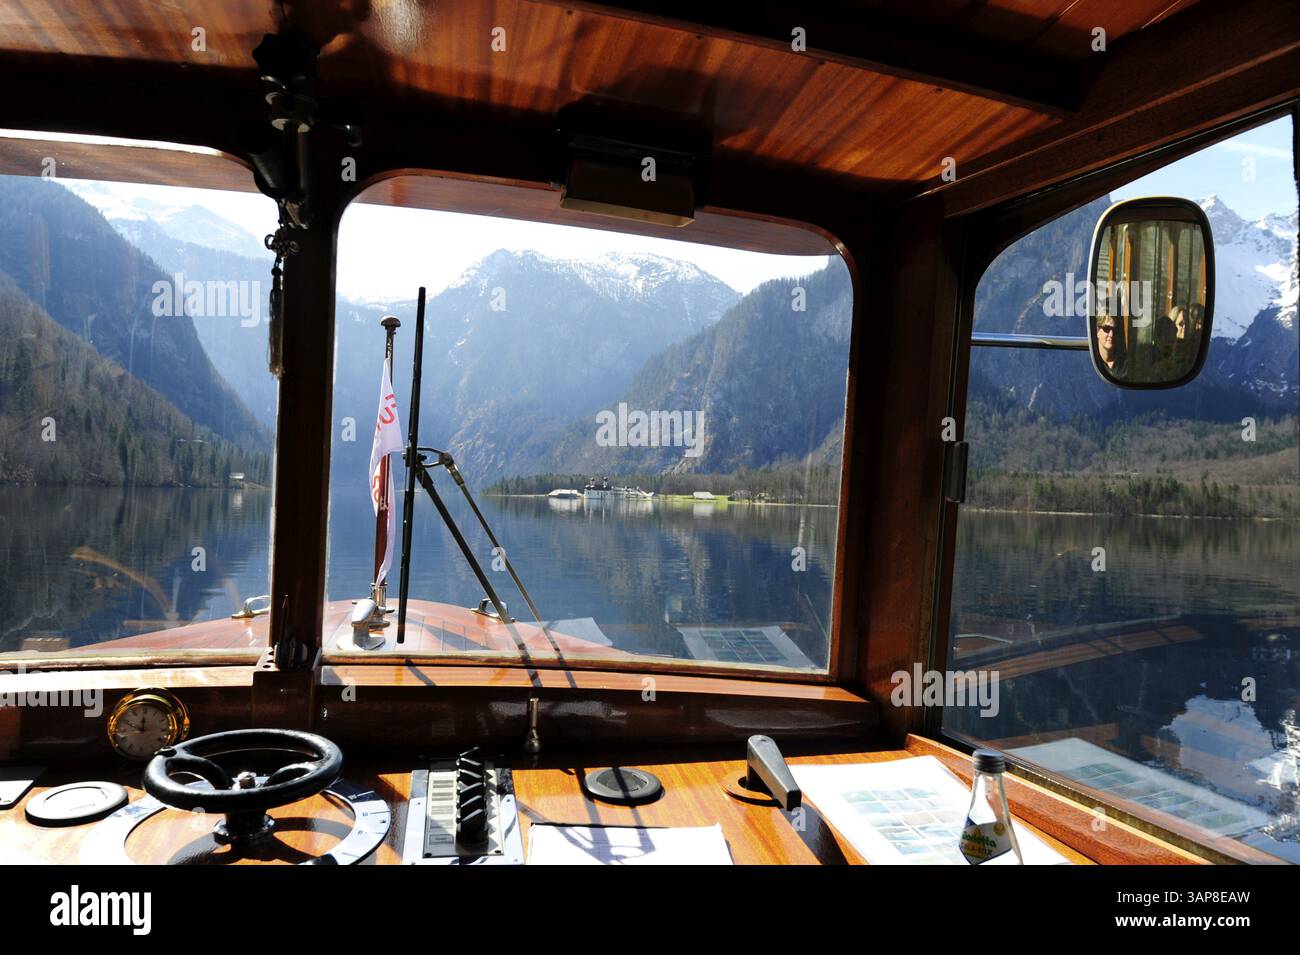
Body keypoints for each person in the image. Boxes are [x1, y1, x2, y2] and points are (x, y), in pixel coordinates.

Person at [1095, 312, 1126, 378]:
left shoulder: (1125, 364)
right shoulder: (1092, 362)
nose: (1111, 334)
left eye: (1115, 330)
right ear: (1097, 331)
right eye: (1107, 328)